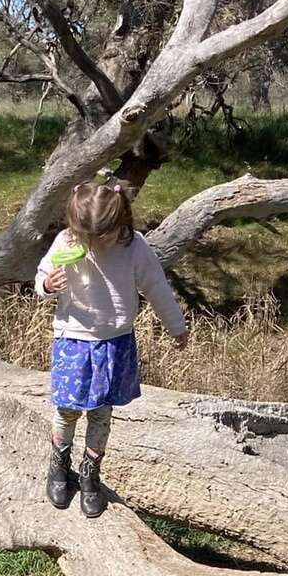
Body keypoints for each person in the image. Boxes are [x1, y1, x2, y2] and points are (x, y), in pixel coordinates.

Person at [36, 174, 189, 517]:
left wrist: (175, 326)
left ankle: (91, 476)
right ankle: (59, 466)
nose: (89, 243)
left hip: (114, 343)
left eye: (97, 236)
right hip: (72, 341)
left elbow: (157, 288)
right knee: (67, 410)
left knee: (101, 414)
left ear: (118, 221)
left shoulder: (133, 247)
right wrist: (47, 284)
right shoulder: (65, 241)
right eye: (83, 235)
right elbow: (40, 278)